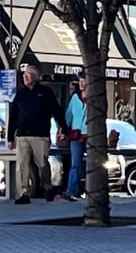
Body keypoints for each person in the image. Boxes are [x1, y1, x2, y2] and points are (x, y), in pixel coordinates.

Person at [6, 61, 60, 204]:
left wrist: (62, 127)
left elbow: (56, 111)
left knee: (42, 163)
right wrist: (10, 137)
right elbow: (13, 116)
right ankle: (23, 192)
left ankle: (47, 186)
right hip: (22, 135)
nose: (25, 77)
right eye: (24, 74)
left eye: (29, 75)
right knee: (22, 165)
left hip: (40, 134)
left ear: (36, 77)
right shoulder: (20, 94)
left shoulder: (46, 92)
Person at [60, 74, 89, 201]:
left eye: (84, 81)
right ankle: (72, 190)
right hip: (76, 135)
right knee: (76, 163)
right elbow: (68, 115)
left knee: (93, 163)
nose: (82, 83)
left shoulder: (95, 97)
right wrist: (63, 130)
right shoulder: (75, 97)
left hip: (90, 134)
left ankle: (91, 189)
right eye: (80, 81)